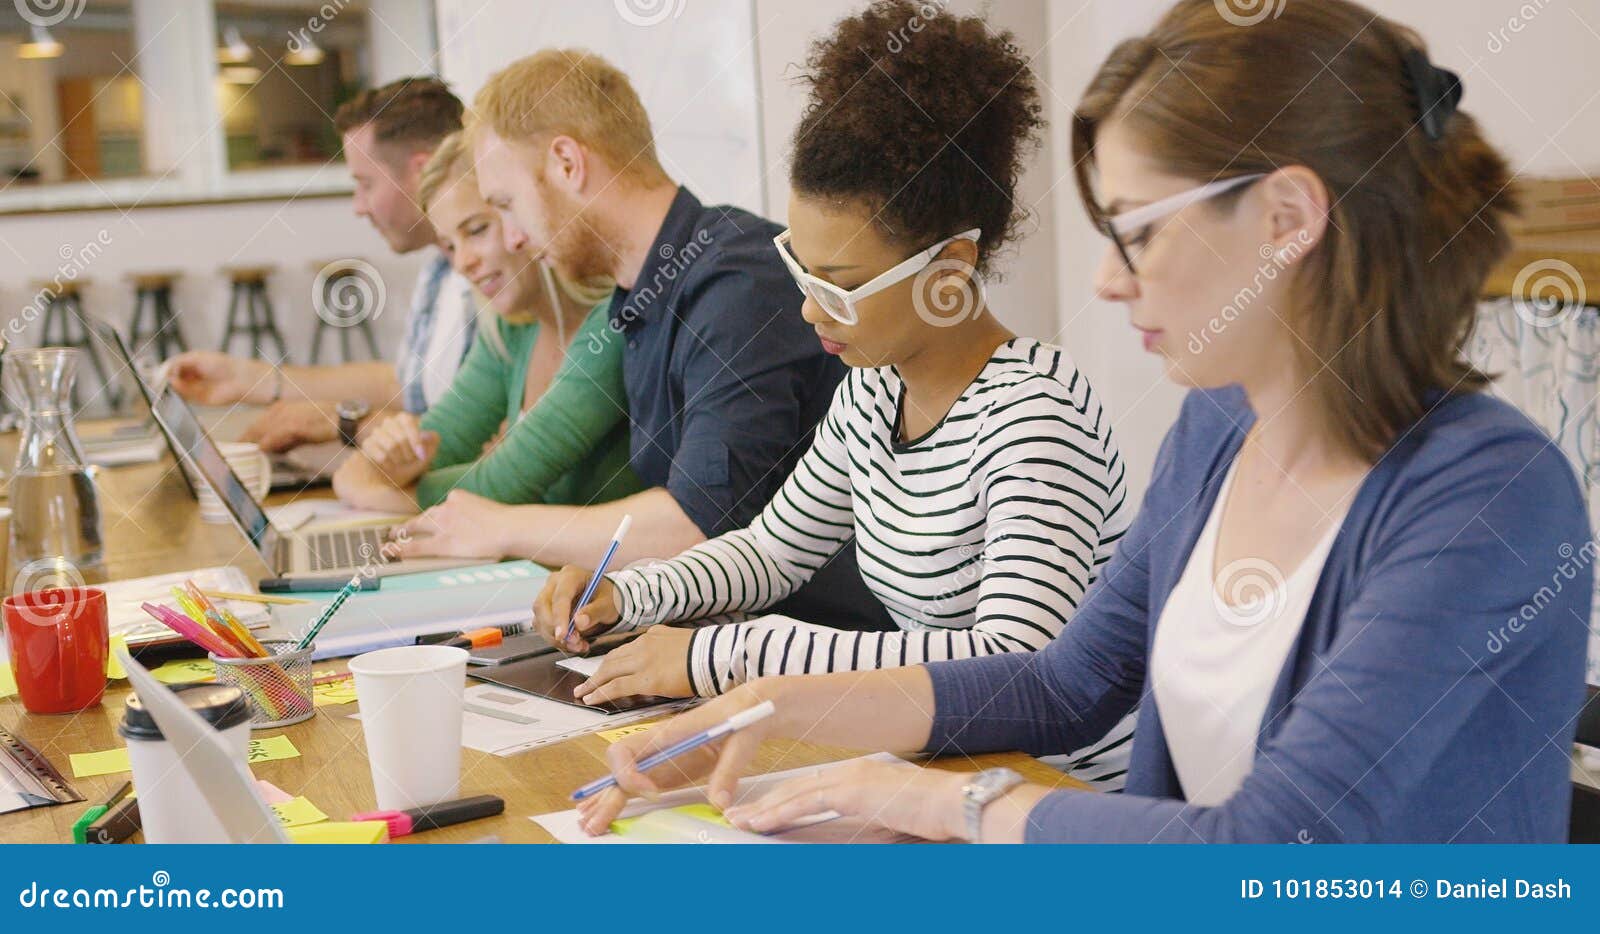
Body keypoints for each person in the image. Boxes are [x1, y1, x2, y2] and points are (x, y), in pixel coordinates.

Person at [575, 0, 1592, 843]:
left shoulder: (1488, 497)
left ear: (1287, 219)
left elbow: (1270, 846)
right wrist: (777, 712)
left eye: (1136, 232)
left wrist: (943, 799)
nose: (1106, 280)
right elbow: (1067, 681)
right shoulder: (1215, 431)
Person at [530, 3, 1135, 788]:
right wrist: (629, 595)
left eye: (840, 287)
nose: (811, 310)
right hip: (947, 775)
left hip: (1057, 797)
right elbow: (774, 550)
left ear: (949, 266)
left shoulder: (1038, 418)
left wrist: (721, 654)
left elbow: (1008, 665)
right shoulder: (870, 393)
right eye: (801, 272)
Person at [389, 49, 888, 630]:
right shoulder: (643, 299)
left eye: (507, 205)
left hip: (832, 655)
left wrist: (496, 527)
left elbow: (697, 526)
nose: (516, 238)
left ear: (568, 163)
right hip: (727, 634)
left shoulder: (735, 281)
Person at [331, 130, 640, 513]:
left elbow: (503, 482)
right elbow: (439, 441)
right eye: (450, 246)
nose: (463, 262)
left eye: (476, 230)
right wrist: (382, 460)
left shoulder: (612, 321)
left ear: (524, 213)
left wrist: (381, 491)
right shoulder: (511, 329)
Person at [165, 78, 477, 453]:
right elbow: (404, 387)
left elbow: (482, 444)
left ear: (422, 172)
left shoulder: (492, 283)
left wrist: (344, 421)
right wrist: (247, 379)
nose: (358, 207)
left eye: (365, 184)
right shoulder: (438, 274)